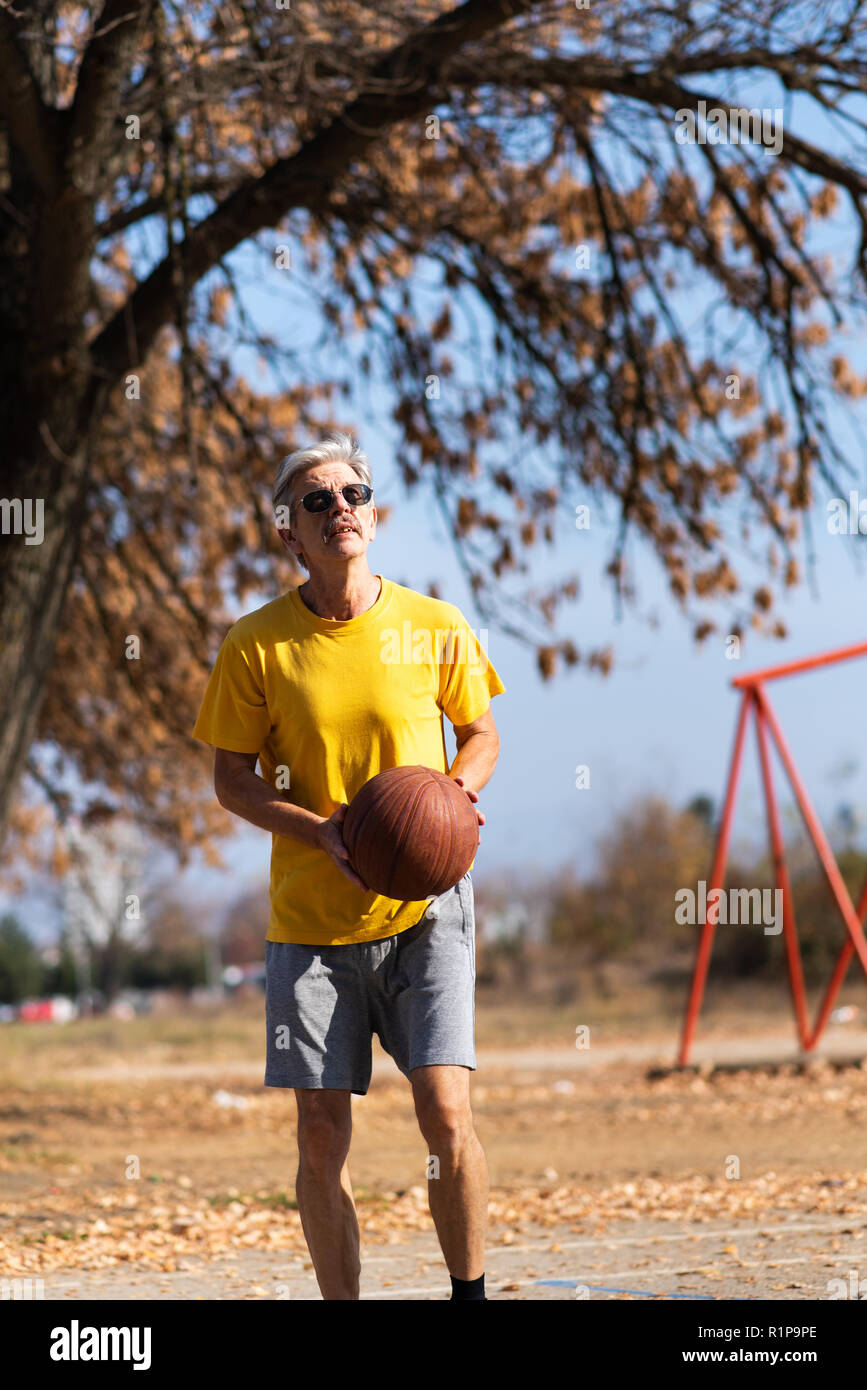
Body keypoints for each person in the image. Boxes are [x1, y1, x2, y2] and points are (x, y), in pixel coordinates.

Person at [192, 430, 505, 1300]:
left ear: (373, 514)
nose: (341, 510)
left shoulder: (432, 624)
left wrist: (453, 797)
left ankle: (468, 1295)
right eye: (318, 500)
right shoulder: (257, 645)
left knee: (445, 1114)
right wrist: (319, 828)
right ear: (286, 530)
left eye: (354, 495)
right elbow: (229, 780)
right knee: (321, 1138)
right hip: (312, 927)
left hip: (425, 913)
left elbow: (479, 734)